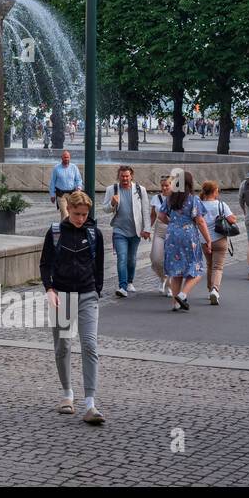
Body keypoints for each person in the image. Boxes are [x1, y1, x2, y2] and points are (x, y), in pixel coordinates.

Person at [39, 190, 105, 425]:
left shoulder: (94, 233)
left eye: (85, 214)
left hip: (87, 294)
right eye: (77, 214)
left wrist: (97, 291)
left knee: (89, 344)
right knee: (63, 345)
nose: (81, 218)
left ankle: (90, 403)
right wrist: (49, 289)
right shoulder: (56, 233)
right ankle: (67, 394)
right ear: (68, 209)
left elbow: (99, 266)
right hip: (62, 295)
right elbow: (45, 263)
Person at [157, 171, 211, 311]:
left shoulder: (170, 199)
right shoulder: (193, 200)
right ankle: (182, 294)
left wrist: (173, 223)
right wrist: (208, 240)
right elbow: (200, 221)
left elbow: (161, 216)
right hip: (188, 235)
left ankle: (175, 303)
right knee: (196, 268)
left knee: (176, 270)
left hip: (172, 235)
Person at [101, 165, 150, 298]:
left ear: (131, 176)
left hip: (135, 230)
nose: (125, 178)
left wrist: (147, 229)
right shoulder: (112, 189)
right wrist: (112, 203)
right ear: (119, 176)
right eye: (122, 176)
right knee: (122, 258)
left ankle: (129, 282)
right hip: (119, 230)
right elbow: (105, 208)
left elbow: (145, 210)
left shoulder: (140, 190)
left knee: (132, 259)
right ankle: (122, 286)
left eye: (127, 176)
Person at [198, 181, 237, 305]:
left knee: (209, 264)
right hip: (219, 239)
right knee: (218, 267)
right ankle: (215, 289)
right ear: (215, 192)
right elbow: (232, 219)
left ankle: (210, 289)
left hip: (204, 240)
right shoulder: (220, 204)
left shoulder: (199, 205)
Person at [147, 174, 173, 295]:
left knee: (171, 259)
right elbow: (153, 215)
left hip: (173, 231)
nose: (164, 188)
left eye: (167, 185)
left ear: (172, 185)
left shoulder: (177, 198)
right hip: (159, 230)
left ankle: (170, 286)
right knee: (156, 259)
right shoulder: (156, 198)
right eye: (162, 186)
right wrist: (147, 229)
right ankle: (162, 277)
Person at [48, 150, 83, 219]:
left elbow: (78, 179)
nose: (66, 159)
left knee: (71, 213)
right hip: (61, 194)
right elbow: (52, 182)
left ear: (70, 158)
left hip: (72, 194)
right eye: (65, 157)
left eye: (67, 157)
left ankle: (63, 228)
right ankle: (66, 228)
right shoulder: (56, 168)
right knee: (65, 213)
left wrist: (79, 188)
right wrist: (52, 195)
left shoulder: (74, 167)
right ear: (61, 158)